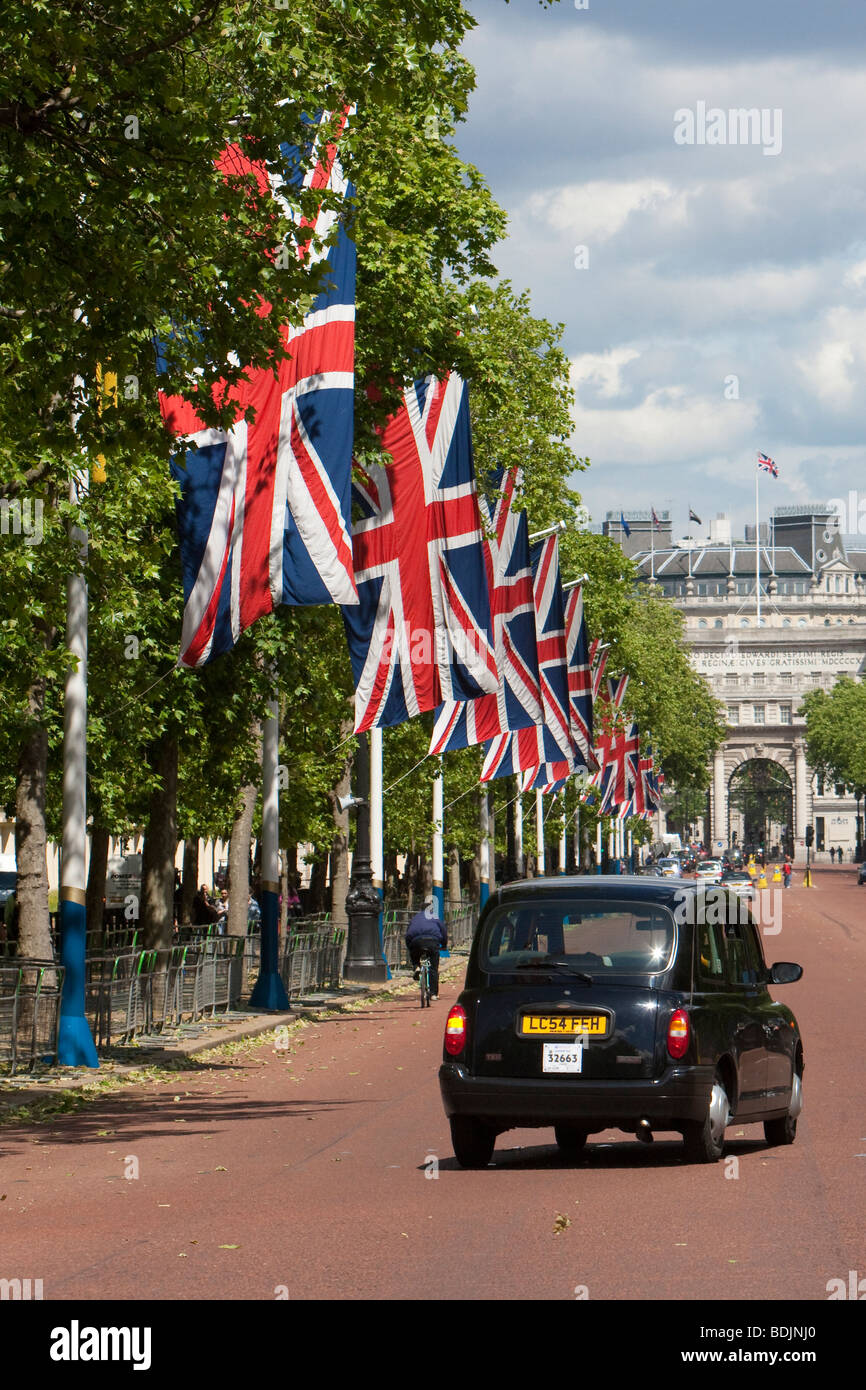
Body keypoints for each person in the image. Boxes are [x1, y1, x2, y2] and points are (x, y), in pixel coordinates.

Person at [405, 898, 448, 1000]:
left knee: (414, 953)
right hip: (433, 941)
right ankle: (433, 994)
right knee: (433, 968)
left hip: (416, 941)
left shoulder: (415, 918)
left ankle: (416, 967)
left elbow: (408, 935)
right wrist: (444, 945)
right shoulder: (435, 918)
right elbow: (444, 932)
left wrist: (409, 947)